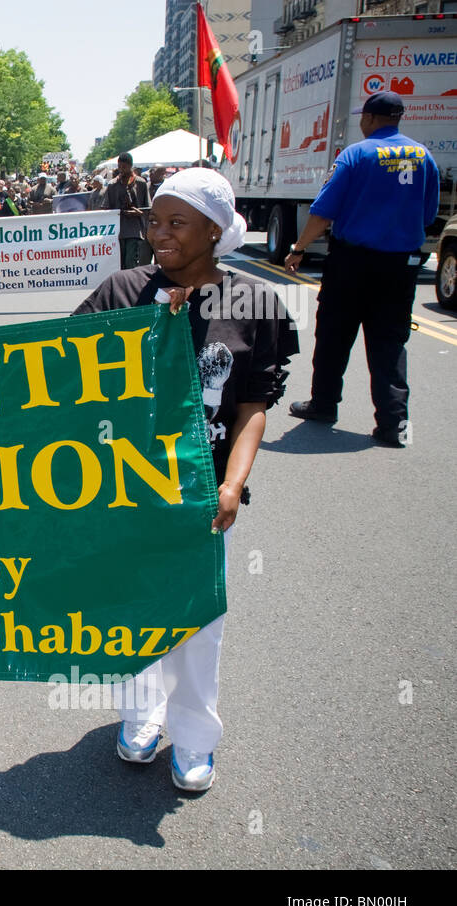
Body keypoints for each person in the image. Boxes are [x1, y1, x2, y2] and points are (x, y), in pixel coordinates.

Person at [73, 168, 293, 792]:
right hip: (125, 493)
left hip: (202, 498)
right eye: (153, 221)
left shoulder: (252, 303)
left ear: (215, 230)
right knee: (133, 610)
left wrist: (232, 486)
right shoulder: (121, 291)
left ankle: (195, 739)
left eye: (177, 223)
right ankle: (141, 716)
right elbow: (61, 377)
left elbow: (253, 406)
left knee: (199, 626)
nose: (159, 235)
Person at [284, 90, 440, 448]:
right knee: (389, 342)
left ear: (369, 119)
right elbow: (428, 215)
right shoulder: (423, 156)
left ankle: (324, 404)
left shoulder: (355, 155)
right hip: (400, 265)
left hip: (352, 263)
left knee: (335, 335)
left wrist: (298, 249)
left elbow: (323, 213)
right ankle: (393, 425)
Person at [104, 152, 151, 268]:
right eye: (119, 167)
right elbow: (105, 208)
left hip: (134, 231)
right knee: (118, 265)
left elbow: (148, 208)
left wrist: (138, 213)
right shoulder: (112, 185)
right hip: (117, 232)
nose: (121, 170)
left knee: (131, 263)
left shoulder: (141, 183)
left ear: (130, 166)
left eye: (124, 167)